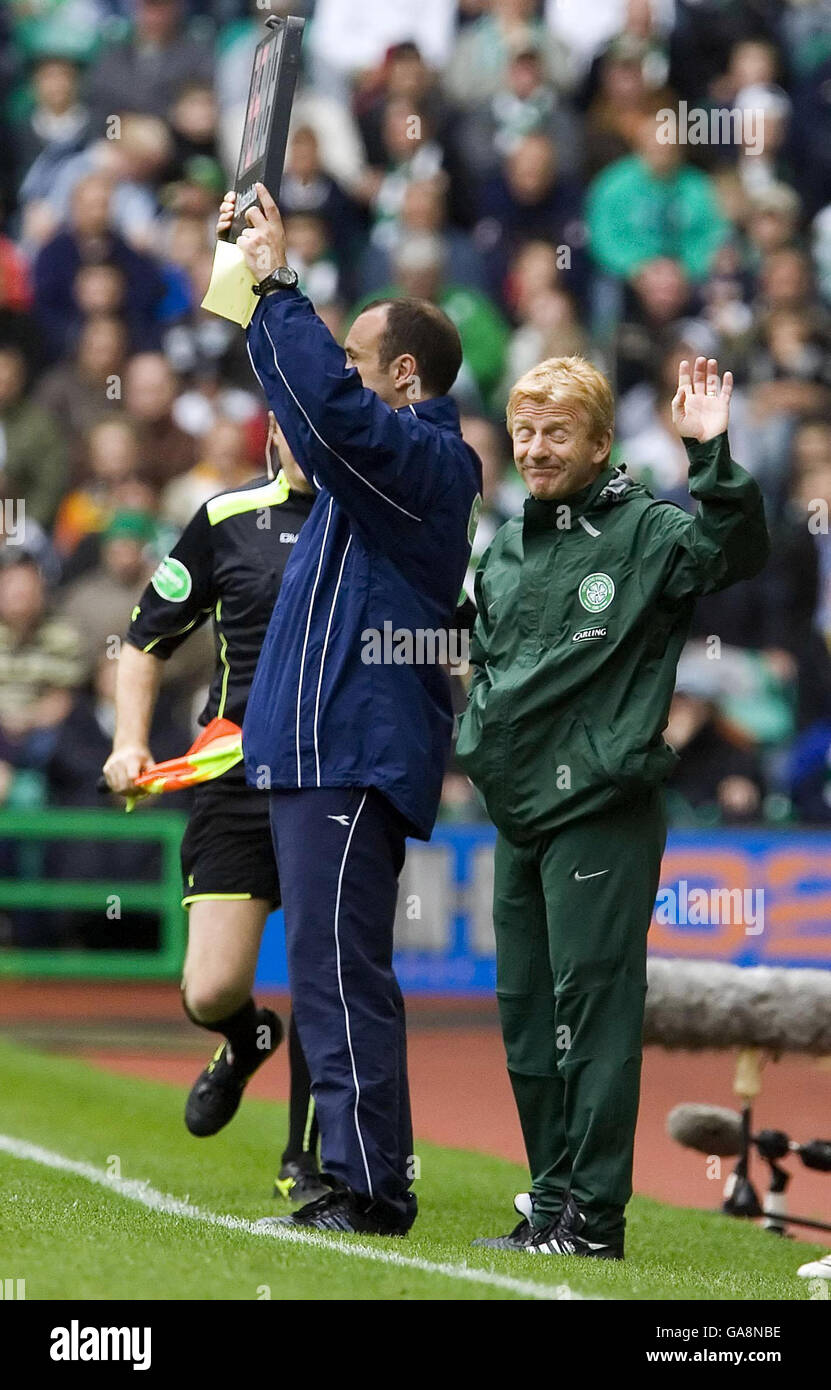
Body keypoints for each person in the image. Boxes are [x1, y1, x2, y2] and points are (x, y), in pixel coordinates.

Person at [456, 354, 769, 1258]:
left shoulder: (649, 531)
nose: (536, 448)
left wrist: (709, 456)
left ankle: (593, 1219)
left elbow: (735, 552)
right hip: (517, 811)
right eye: (524, 432)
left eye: (558, 433)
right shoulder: (507, 544)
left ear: (599, 443)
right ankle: (549, 1200)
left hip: (600, 803)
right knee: (524, 1011)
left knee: (590, 1013)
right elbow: (487, 661)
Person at [228, 182, 482, 1236]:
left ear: (405, 377)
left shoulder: (428, 462)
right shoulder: (369, 472)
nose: (345, 375)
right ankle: (352, 1170)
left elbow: (325, 409)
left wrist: (281, 284)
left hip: (351, 744)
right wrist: (251, 293)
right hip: (320, 744)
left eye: (360, 358)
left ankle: (374, 1183)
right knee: (329, 973)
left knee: (341, 972)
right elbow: (313, 408)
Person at [102, 415, 327, 1206]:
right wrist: (129, 743)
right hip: (234, 774)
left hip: (332, 781)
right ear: (273, 434)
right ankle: (246, 1039)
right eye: (293, 424)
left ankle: (308, 1159)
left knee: (323, 977)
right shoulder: (228, 518)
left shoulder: (372, 516)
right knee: (208, 989)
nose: (307, 438)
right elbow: (143, 640)